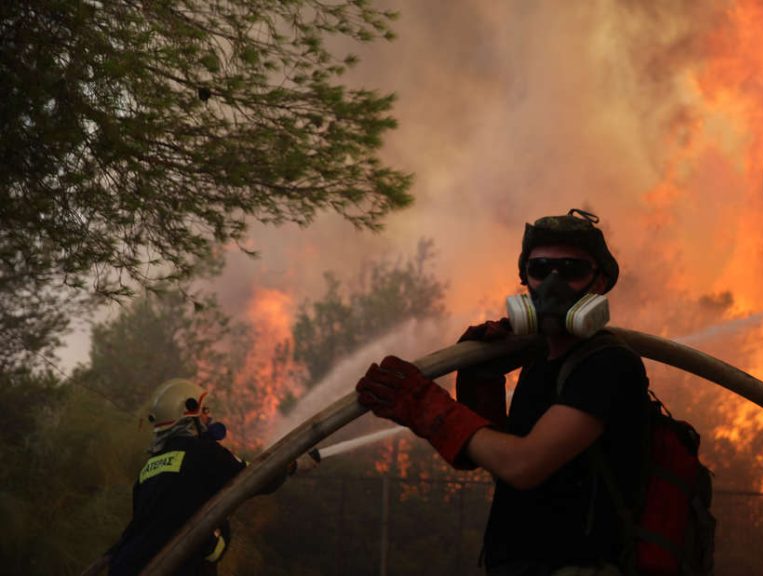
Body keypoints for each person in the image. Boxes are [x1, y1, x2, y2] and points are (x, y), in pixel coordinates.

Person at [357, 209, 649, 576]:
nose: (553, 285)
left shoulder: (609, 366)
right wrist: (483, 383)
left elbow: (524, 465)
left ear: (600, 283)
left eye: (572, 270)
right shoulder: (542, 365)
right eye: (540, 269)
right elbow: (506, 468)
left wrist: (427, 407)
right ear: (525, 279)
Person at [101, 378, 319, 575]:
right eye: (204, 411)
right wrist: (291, 465)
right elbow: (254, 478)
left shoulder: (148, 469)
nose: (210, 417)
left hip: (128, 565)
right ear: (188, 413)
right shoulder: (201, 451)